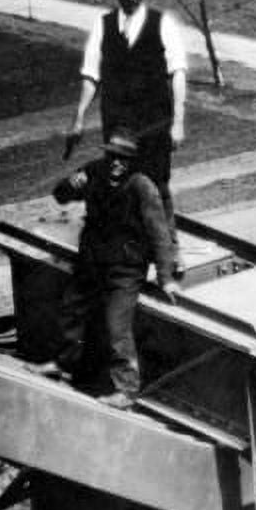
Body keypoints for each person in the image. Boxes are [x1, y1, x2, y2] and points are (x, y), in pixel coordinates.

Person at [45, 130, 180, 409]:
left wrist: (166, 278)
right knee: (71, 309)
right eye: (113, 157)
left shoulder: (142, 186)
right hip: (93, 260)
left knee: (116, 325)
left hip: (126, 268)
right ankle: (60, 364)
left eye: (124, 159)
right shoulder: (94, 171)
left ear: (133, 162)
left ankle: (126, 389)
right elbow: (60, 195)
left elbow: (160, 233)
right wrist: (71, 184)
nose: (117, 163)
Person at [65, 0, 188, 206]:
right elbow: (91, 75)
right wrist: (78, 118)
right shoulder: (103, 26)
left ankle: (166, 238)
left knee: (157, 183)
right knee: (119, 180)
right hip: (117, 122)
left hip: (154, 121)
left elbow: (178, 74)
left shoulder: (163, 24)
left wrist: (178, 122)